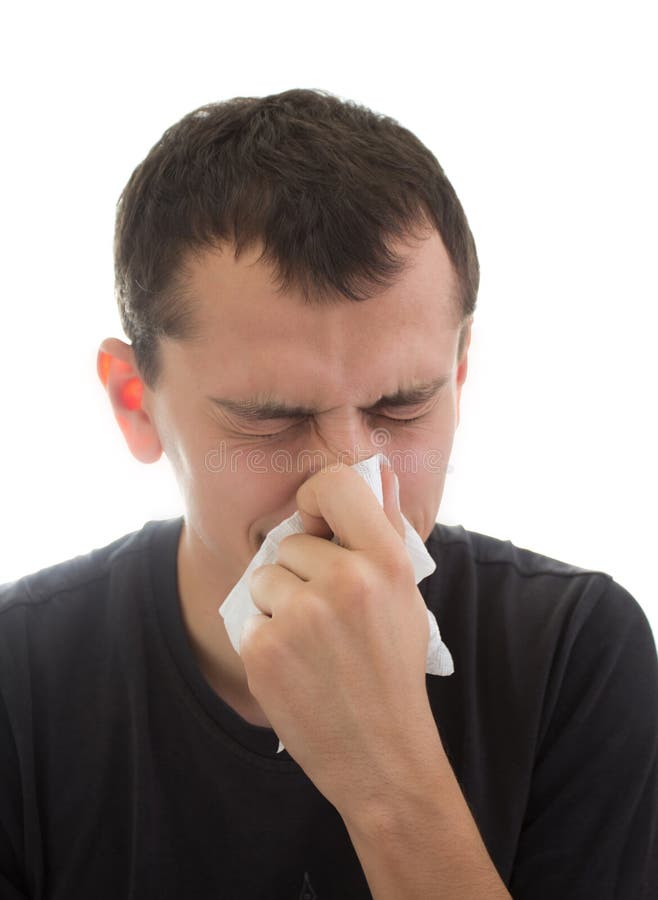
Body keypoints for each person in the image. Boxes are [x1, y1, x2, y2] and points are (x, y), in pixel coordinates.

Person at [1, 88, 656, 900]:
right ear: (136, 404)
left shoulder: (574, 656)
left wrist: (387, 773)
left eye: (403, 406)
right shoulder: (19, 682)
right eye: (270, 421)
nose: (350, 481)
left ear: (459, 375)